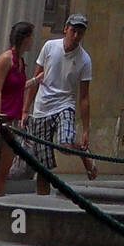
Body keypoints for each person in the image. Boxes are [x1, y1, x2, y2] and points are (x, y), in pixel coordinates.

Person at [23, 13, 95, 195]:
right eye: (73, 31)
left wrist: (86, 129)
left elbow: (84, 96)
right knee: (43, 166)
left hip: (65, 105)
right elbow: (36, 77)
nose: (76, 36)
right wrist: (25, 109)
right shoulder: (50, 47)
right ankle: (43, 201)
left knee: (66, 143)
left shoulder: (84, 59)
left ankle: (85, 156)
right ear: (66, 29)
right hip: (42, 107)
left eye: (80, 32)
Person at [0, 20, 38, 223]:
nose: (32, 41)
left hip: (12, 123)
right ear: (24, 38)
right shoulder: (6, 59)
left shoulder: (21, 63)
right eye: (31, 37)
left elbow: (18, 90)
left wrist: (36, 81)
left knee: (3, 174)